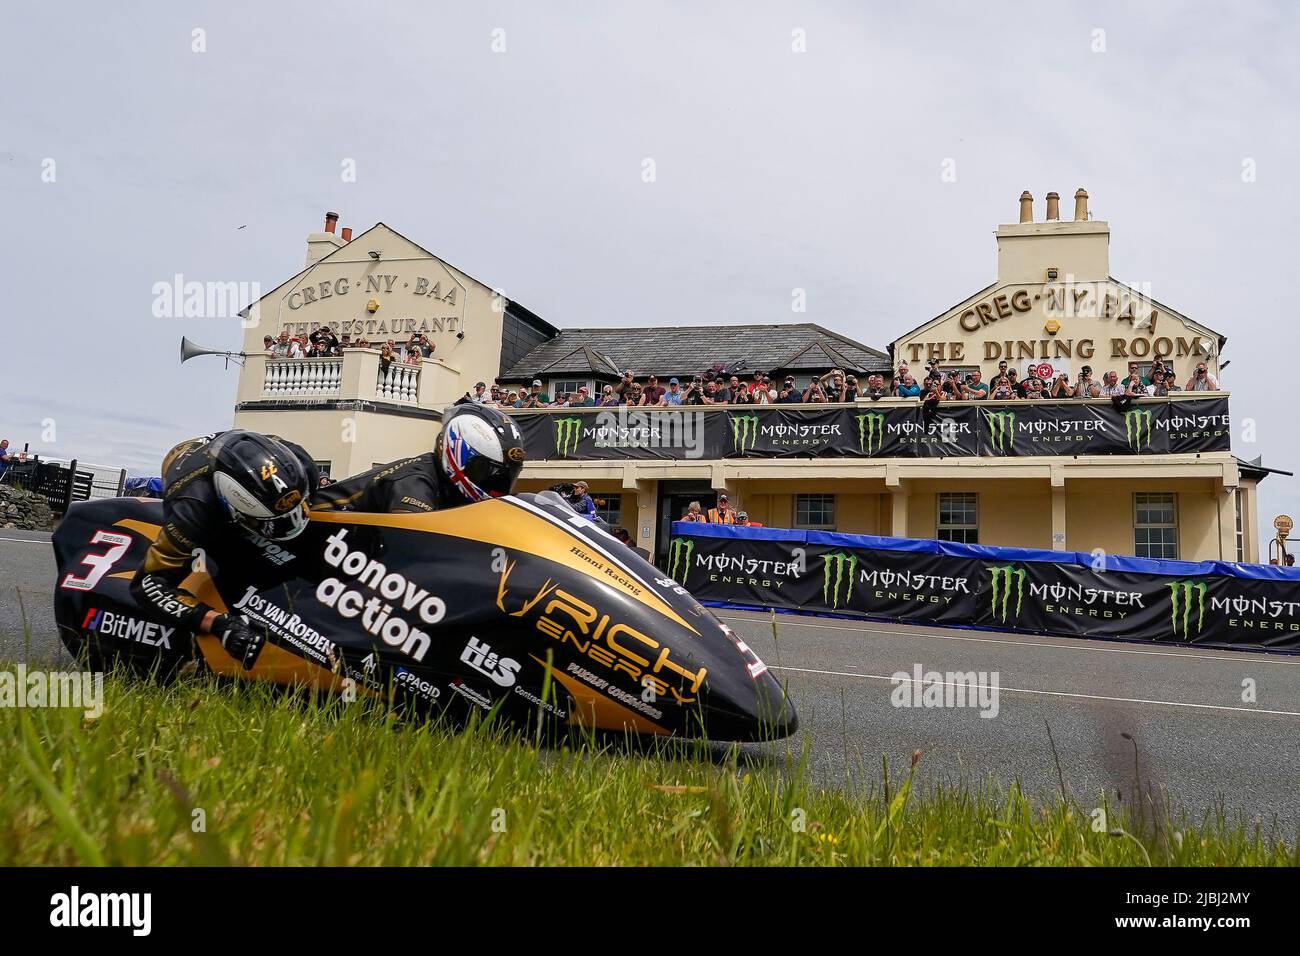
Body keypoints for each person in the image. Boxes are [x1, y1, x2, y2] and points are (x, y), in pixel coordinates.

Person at [128, 430, 320, 670]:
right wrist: (217, 624)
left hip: (240, 444)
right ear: (230, 508)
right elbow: (147, 585)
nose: (294, 525)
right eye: (269, 522)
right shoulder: (194, 509)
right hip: (185, 466)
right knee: (224, 554)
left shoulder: (303, 464)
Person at [313, 402, 525, 517]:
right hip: (316, 543)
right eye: (490, 474)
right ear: (459, 452)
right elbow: (411, 551)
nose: (498, 486)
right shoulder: (415, 483)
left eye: (506, 478)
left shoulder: (449, 488)